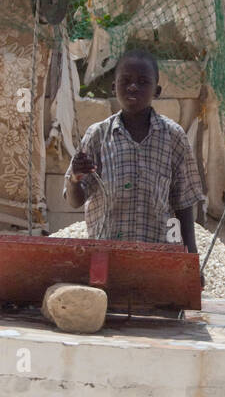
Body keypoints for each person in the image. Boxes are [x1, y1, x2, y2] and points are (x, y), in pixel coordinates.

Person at [64, 48, 204, 260]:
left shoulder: (173, 136)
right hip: (105, 254)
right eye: (125, 80)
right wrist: (75, 178)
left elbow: (184, 204)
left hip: (154, 255)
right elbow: (75, 200)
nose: (132, 87)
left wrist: (191, 257)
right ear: (114, 87)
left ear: (156, 91)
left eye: (142, 82)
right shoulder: (98, 136)